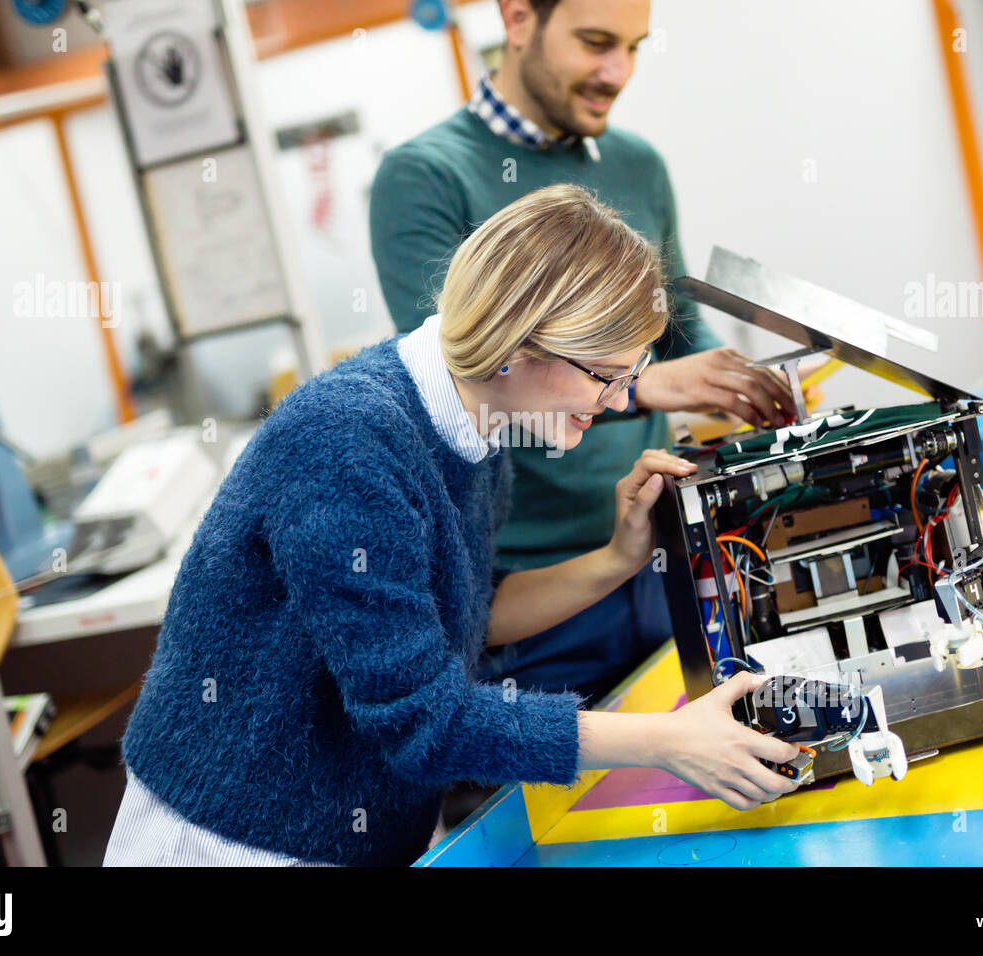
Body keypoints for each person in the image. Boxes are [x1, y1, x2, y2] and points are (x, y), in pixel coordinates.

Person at [104, 186, 800, 867]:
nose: (620, 401)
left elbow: (465, 613)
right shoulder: (348, 442)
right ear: (516, 343)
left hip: (366, 830)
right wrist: (665, 740)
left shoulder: (475, 423)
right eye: (605, 376)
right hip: (236, 837)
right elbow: (424, 724)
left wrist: (619, 557)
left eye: (633, 374)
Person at [370, 0, 796, 704]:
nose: (617, 72)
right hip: (533, 597)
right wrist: (646, 387)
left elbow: (678, 325)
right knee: (546, 804)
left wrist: (735, 386)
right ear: (516, 20)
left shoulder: (638, 165)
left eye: (633, 47)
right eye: (595, 42)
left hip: (658, 556)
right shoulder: (425, 176)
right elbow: (461, 379)